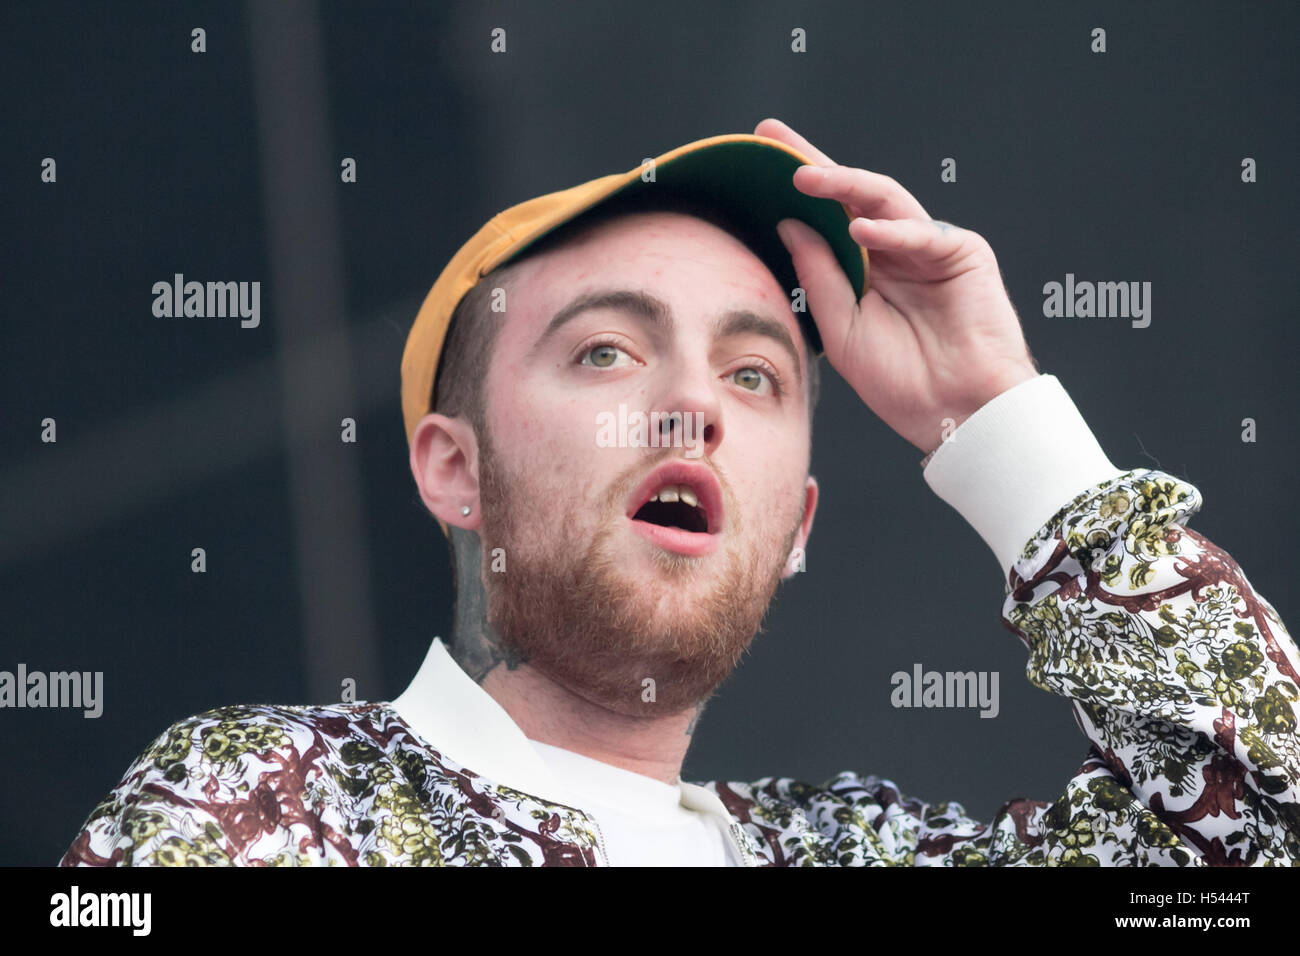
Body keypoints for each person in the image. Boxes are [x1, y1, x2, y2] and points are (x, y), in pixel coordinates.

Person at [60, 118, 1299, 866]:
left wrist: (998, 421)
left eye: (755, 372)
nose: (690, 404)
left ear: (794, 529)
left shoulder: (855, 853)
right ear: (455, 468)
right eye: (605, 348)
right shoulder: (264, 801)